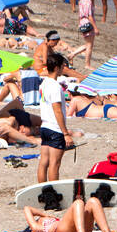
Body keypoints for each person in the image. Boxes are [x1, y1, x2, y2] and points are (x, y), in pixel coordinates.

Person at [36, 53, 72, 183]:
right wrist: (65, 133)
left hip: (45, 126)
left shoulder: (44, 83)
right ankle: (52, 192)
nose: (64, 68)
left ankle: (42, 190)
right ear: (57, 68)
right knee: (54, 164)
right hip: (55, 128)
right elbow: (57, 110)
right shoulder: (55, 86)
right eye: (62, 66)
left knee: (43, 163)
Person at [23, 194, 116, 232]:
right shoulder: (38, 226)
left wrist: (45, 216)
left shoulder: (48, 219)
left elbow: (30, 209)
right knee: (78, 203)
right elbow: (27, 208)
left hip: (75, 230)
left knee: (93, 201)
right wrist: (43, 216)